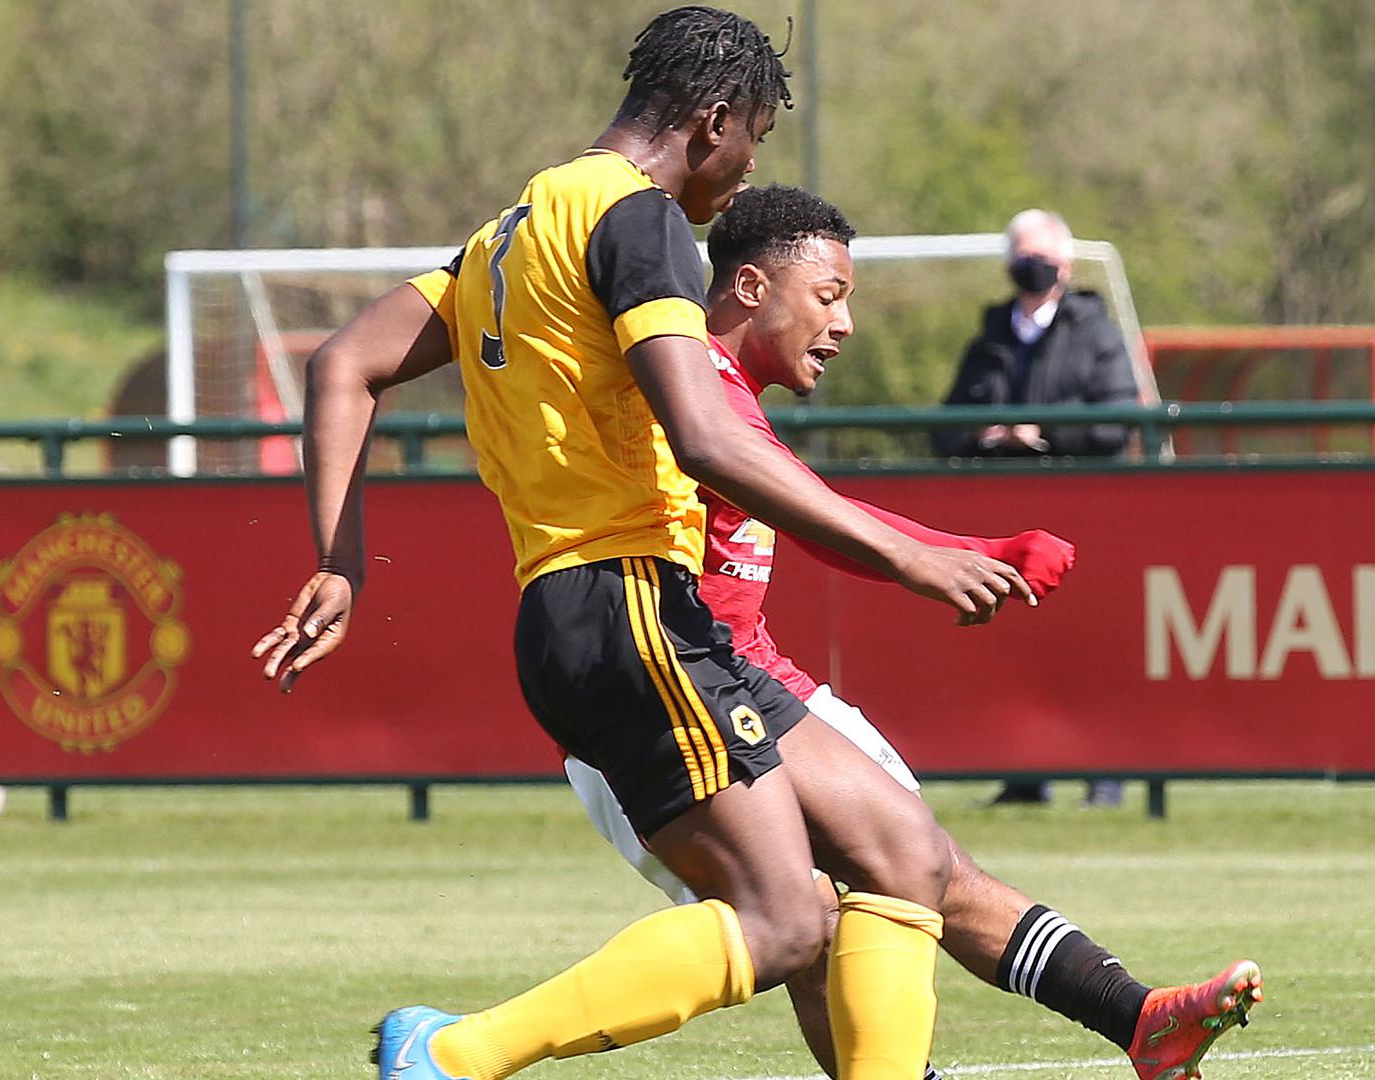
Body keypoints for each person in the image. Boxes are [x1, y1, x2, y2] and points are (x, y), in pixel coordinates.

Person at [251, 10, 1034, 1080]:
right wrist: (907, 556)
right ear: (713, 121)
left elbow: (343, 362)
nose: (745, 176)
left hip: (585, 612)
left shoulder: (509, 232)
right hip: (626, 600)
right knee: (784, 920)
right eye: (751, 140)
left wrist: (340, 561)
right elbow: (705, 436)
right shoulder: (637, 218)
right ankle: (454, 1054)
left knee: (896, 850)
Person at [561, 182, 1261, 1080]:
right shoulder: (690, 387)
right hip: (663, 703)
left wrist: (968, 550)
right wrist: (950, 553)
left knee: (921, 868)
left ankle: (1141, 1020)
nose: (844, 323)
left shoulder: (721, 389)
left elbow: (822, 509)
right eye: (827, 295)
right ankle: (469, 1048)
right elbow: (823, 518)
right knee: (807, 923)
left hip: (749, 685)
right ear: (747, 288)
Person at [935, 208, 1143, 808]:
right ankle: (1025, 775)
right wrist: (987, 436)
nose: (1032, 266)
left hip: (1086, 513)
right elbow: (945, 427)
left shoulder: (1096, 334)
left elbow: (1116, 422)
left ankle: (1105, 778)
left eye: (1043, 254)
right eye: (1022, 254)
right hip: (1007, 518)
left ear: (1067, 264)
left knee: (1092, 646)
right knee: (1017, 647)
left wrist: (1044, 432)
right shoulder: (990, 339)